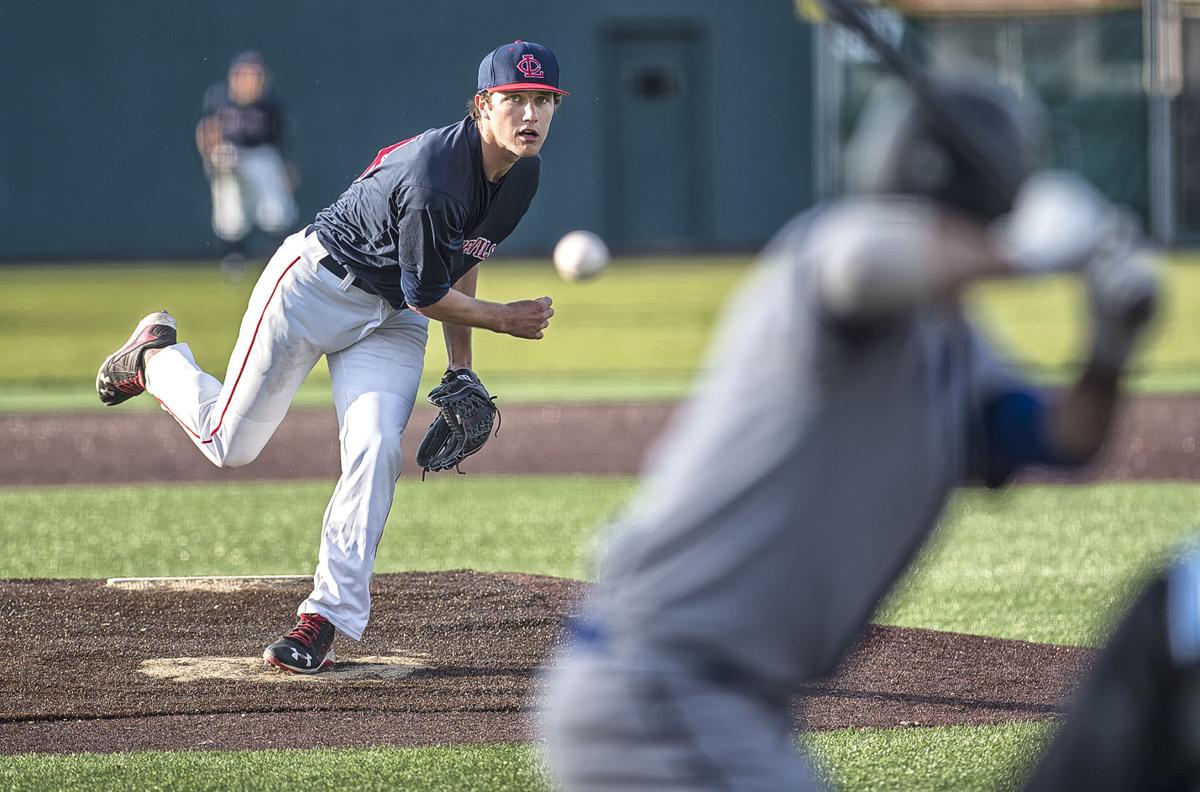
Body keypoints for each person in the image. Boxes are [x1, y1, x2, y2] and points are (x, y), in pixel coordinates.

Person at [541, 77, 1161, 790]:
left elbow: (1064, 440)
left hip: (718, 704)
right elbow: (866, 265)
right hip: (661, 688)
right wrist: (1021, 251)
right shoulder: (837, 249)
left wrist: (1109, 351)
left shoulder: (957, 347)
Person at [97, 40, 566, 674]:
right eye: (515, 99)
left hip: (390, 318)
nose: (530, 114)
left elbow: (464, 259)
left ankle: (322, 619)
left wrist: (462, 368)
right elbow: (428, 292)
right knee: (228, 443)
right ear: (484, 105)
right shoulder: (436, 175)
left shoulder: (522, 172)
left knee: (376, 449)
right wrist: (506, 321)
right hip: (313, 288)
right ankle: (155, 358)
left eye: (543, 100)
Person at [196, 51, 299, 278]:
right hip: (230, 156)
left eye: (255, 76)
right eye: (245, 75)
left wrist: (286, 167)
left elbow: (281, 141)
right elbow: (207, 131)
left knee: (275, 212)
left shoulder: (271, 104)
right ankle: (234, 258)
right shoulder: (218, 97)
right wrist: (209, 154)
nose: (251, 81)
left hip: (261, 157)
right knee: (231, 211)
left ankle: (277, 257)